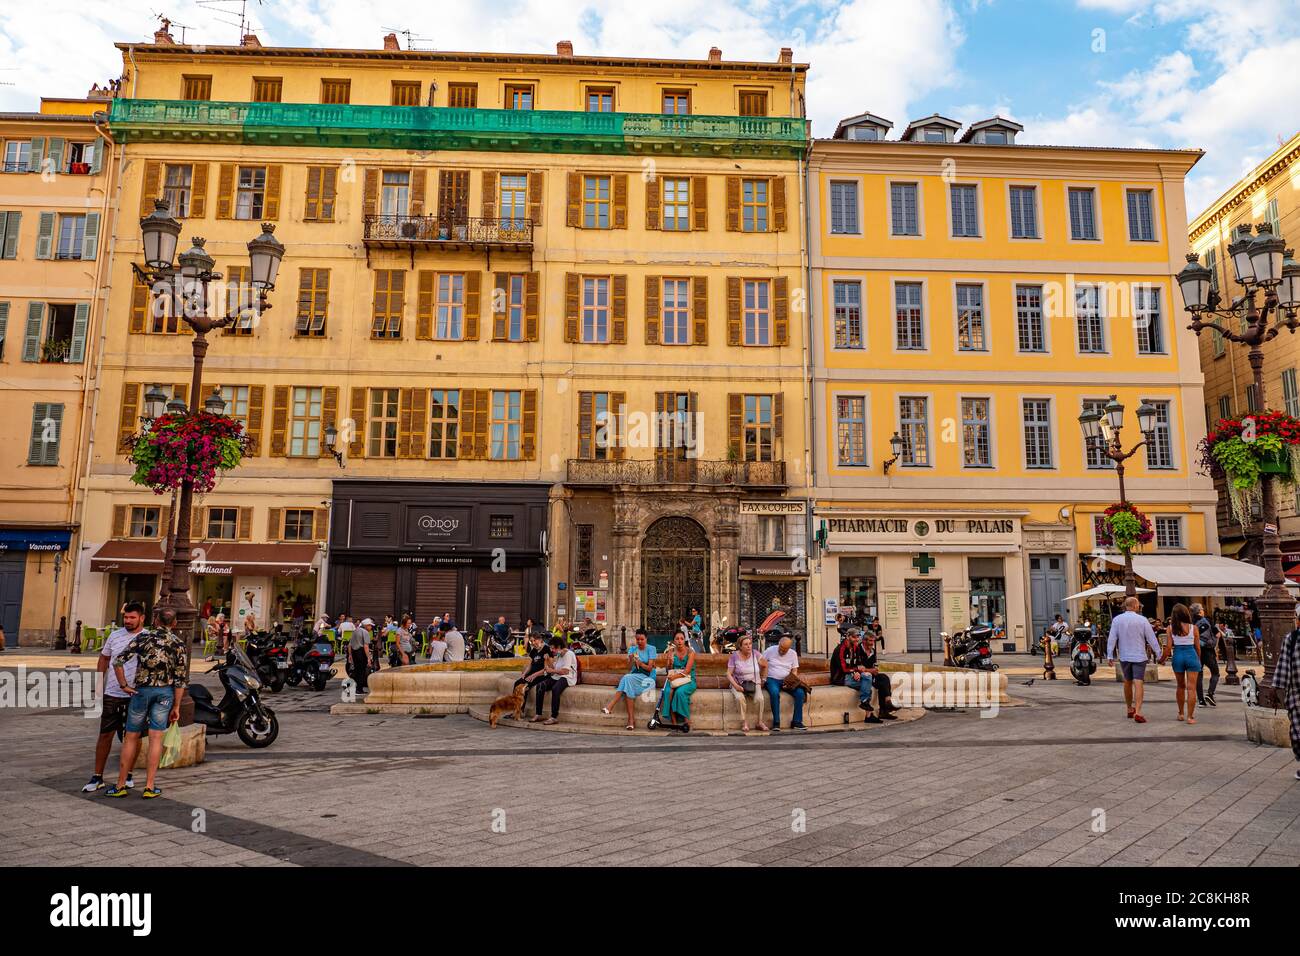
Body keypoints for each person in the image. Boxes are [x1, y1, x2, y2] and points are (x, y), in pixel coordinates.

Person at [106, 606, 189, 799]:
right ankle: (150, 786)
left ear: (156, 621)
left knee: (131, 737)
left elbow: (118, 662)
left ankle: (120, 785)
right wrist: (176, 706)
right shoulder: (178, 644)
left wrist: (124, 685)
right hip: (164, 693)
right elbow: (180, 680)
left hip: (140, 691)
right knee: (156, 738)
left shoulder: (143, 638)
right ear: (174, 624)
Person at [82, 602, 144, 793]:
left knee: (133, 735)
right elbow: (104, 658)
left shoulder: (147, 638)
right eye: (126, 617)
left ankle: (129, 774)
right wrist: (99, 683)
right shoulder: (115, 635)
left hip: (136, 693)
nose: (128, 621)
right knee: (105, 734)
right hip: (112, 692)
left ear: (142, 618)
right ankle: (97, 776)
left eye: (132, 617)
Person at [1106, 595, 1164, 724]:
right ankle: (1138, 711)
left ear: (1125, 606)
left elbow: (1112, 638)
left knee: (1127, 681)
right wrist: (1159, 654)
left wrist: (1110, 655)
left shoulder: (1117, 620)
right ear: (1135, 606)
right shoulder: (1142, 620)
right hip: (1139, 655)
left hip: (1125, 655)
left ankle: (1128, 708)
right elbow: (1151, 638)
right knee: (1138, 682)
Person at [831, 627, 896, 724]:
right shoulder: (840, 649)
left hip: (852, 674)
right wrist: (855, 671)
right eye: (854, 637)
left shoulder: (855, 647)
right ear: (848, 637)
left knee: (868, 682)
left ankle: (868, 713)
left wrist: (857, 671)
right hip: (841, 677)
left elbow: (858, 664)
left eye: (858, 637)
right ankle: (866, 705)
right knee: (868, 679)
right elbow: (844, 668)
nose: (857, 640)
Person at [602, 628, 658, 730]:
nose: (640, 642)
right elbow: (629, 668)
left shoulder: (651, 649)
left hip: (647, 678)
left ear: (646, 639)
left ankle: (611, 706)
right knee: (628, 681)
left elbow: (650, 668)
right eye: (638, 640)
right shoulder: (633, 649)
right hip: (635, 676)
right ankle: (630, 720)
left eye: (642, 639)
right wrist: (631, 659)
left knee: (626, 678)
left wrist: (640, 663)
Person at [1272, 604, 1300, 780]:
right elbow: (1283, 664)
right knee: (1297, 732)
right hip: (1297, 694)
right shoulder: (1292, 638)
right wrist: (1276, 688)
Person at [1163, 603, 1201, 724]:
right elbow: (1198, 647)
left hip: (1178, 655)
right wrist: (1198, 659)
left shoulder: (1170, 628)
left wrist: (1162, 659)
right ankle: (1190, 717)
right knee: (1191, 688)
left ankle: (1181, 713)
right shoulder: (1193, 628)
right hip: (1191, 655)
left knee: (1180, 686)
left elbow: (1168, 647)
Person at [726, 633, 768, 732]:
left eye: (750, 643)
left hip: (754, 682)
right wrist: (735, 686)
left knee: (760, 699)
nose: (749, 646)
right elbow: (728, 673)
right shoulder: (734, 656)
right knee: (739, 698)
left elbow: (765, 665)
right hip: (738, 683)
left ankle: (760, 722)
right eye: (746, 644)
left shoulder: (756, 653)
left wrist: (763, 680)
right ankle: (744, 722)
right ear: (740, 646)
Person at [762, 634, 805, 731]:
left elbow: (794, 670)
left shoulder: (793, 654)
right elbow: (761, 664)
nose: (782, 651)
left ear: (789, 648)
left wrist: (791, 681)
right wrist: (763, 678)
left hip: (786, 679)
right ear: (778, 644)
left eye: (785, 649)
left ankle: (797, 722)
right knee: (774, 693)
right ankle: (776, 722)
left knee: (800, 693)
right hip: (772, 678)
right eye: (781, 648)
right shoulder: (770, 650)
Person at [532, 635, 577, 725]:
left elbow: (565, 671)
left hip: (567, 677)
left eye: (553, 648)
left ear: (559, 647)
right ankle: (539, 714)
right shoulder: (559, 655)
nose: (552, 650)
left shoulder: (569, 654)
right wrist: (548, 660)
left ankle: (554, 717)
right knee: (540, 686)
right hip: (557, 676)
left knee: (555, 689)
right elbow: (553, 670)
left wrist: (552, 670)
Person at [658, 630, 697, 731]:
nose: (679, 641)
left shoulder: (691, 652)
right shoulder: (671, 652)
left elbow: (687, 671)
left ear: (684, 640)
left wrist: (674, 677)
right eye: (677, 639)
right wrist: (670, 663)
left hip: (687, 679)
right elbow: (668, 670)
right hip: (674, 679)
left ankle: (686, 720)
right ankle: (674, 722)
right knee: (668, 692)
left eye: (682, 639)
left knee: (679, 693)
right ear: (674, 641)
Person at [1191, 603, 1219, 708]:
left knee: (1199, 674)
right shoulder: (1206, 621)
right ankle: (1210, 694)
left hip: (1195, 651)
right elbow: (1216, 633)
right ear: (1200, 611)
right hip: (1207, 651)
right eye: (1202, 609)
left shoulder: (1191, 622)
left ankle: (1201, 701)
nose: (1203, 610)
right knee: (1215, 672)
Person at [515, 630, 553, 704]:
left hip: (542, 675)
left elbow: (549, 667)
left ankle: (520, 710)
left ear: (540, 639)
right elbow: (530, 664)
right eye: (531, 641)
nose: (533, 643)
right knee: (517, 683)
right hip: (533, 674)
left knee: (524, 686)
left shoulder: (547, 649)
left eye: (534, 640)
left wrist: (534, 675)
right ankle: (515, 708)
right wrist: (524, 673)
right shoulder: (534, 651)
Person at [350, 618, 374, 693]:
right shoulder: (365, 632)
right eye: (370, 626)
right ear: (366, 626)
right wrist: (368, 658)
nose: (371, 627)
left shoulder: (355, 631)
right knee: (362, 671)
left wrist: (350, 655)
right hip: (361, 652)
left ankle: (357, 688)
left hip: (354, 652)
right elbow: (366, 646)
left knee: (357, 670)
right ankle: (359, 689)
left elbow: (349, 645)